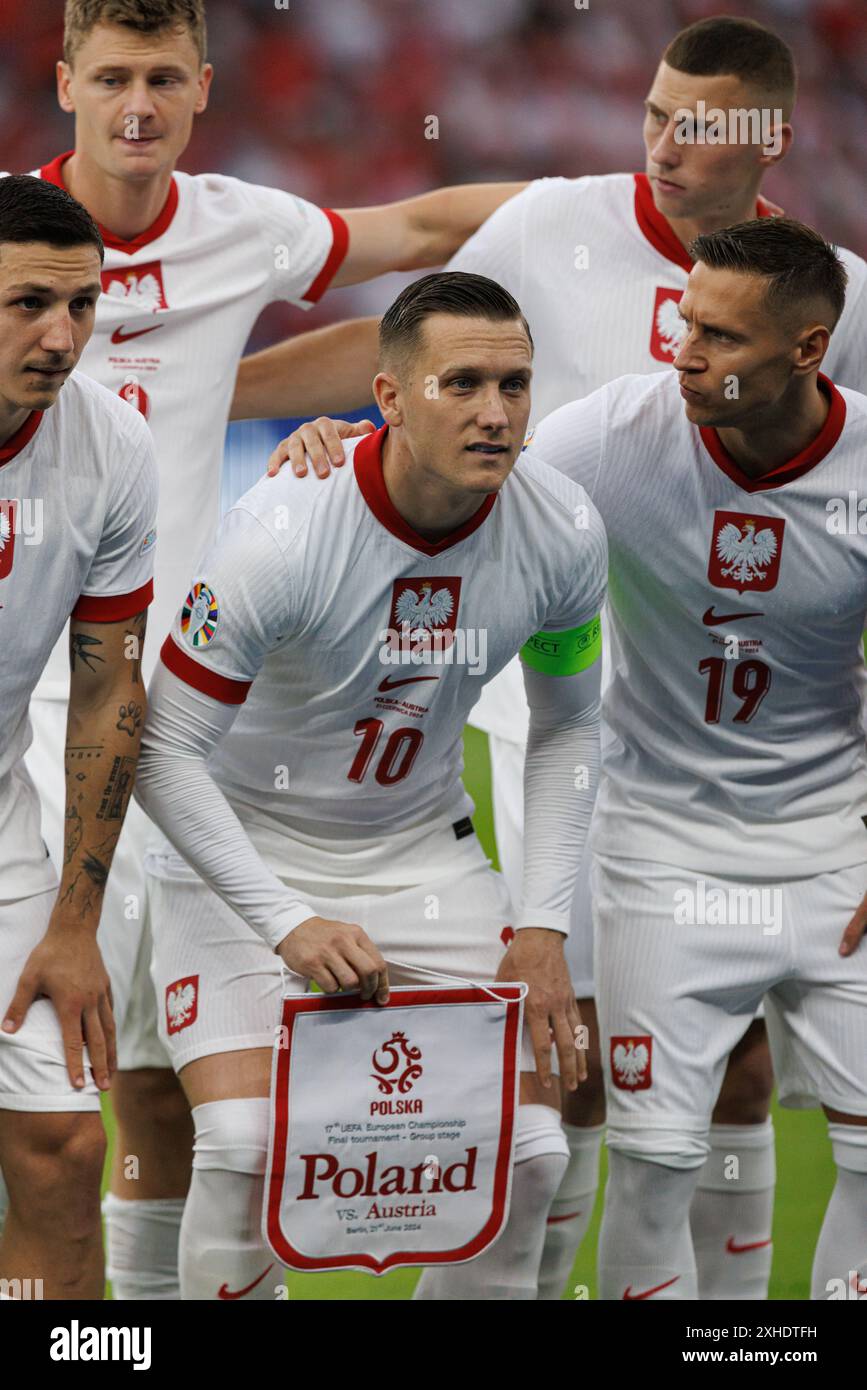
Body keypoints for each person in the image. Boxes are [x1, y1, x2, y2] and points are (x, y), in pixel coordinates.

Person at [260, 15, 867, 1301]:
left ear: (771, 140)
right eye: (652, 112)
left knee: (727, 1069)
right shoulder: (554, 228)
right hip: (578, 721)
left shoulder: (837, 297)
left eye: (697, 128)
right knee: (563, 1050)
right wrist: (273, 408)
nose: (661, 146)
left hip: (746, 741)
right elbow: (417, 349)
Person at [12, 0, 526, 1299]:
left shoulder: (243, 227)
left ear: (202, 89)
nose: (140, 106)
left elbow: (416, 239)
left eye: (166, 79)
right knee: (79, 1103)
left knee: (161, 1098)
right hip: (32, 725)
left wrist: (603, 205)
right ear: (62, 76)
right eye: (114, 75)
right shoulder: (10, 240)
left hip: (167, 714)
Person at [134, 271, 607, 1300]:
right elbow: (161, 748)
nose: (496, 413)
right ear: (388, 397)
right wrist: (286, 920)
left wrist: (544, 920)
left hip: (422, 852)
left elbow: (570, 724)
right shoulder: (282, 530)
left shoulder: (564, 529)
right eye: (463, 383)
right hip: (241, 854)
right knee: (248, 1148)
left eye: (516, 385)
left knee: (530, 1159)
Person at [522, 216, 867, 1299]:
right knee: (658, 1163)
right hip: (663, 852)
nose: (683, 350)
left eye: (720, 337)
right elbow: (464, 481)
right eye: (683, 320)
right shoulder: (618, 437)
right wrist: (337, 447)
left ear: (808, 350)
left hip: (838, 853)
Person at [0, 174, 158, 1298]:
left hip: (4, 843)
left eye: (83, 306)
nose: (62, 338)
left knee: (66, 1146)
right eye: (25, 305)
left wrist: (73, 919)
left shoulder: (111, 449)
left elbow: (107, 690)